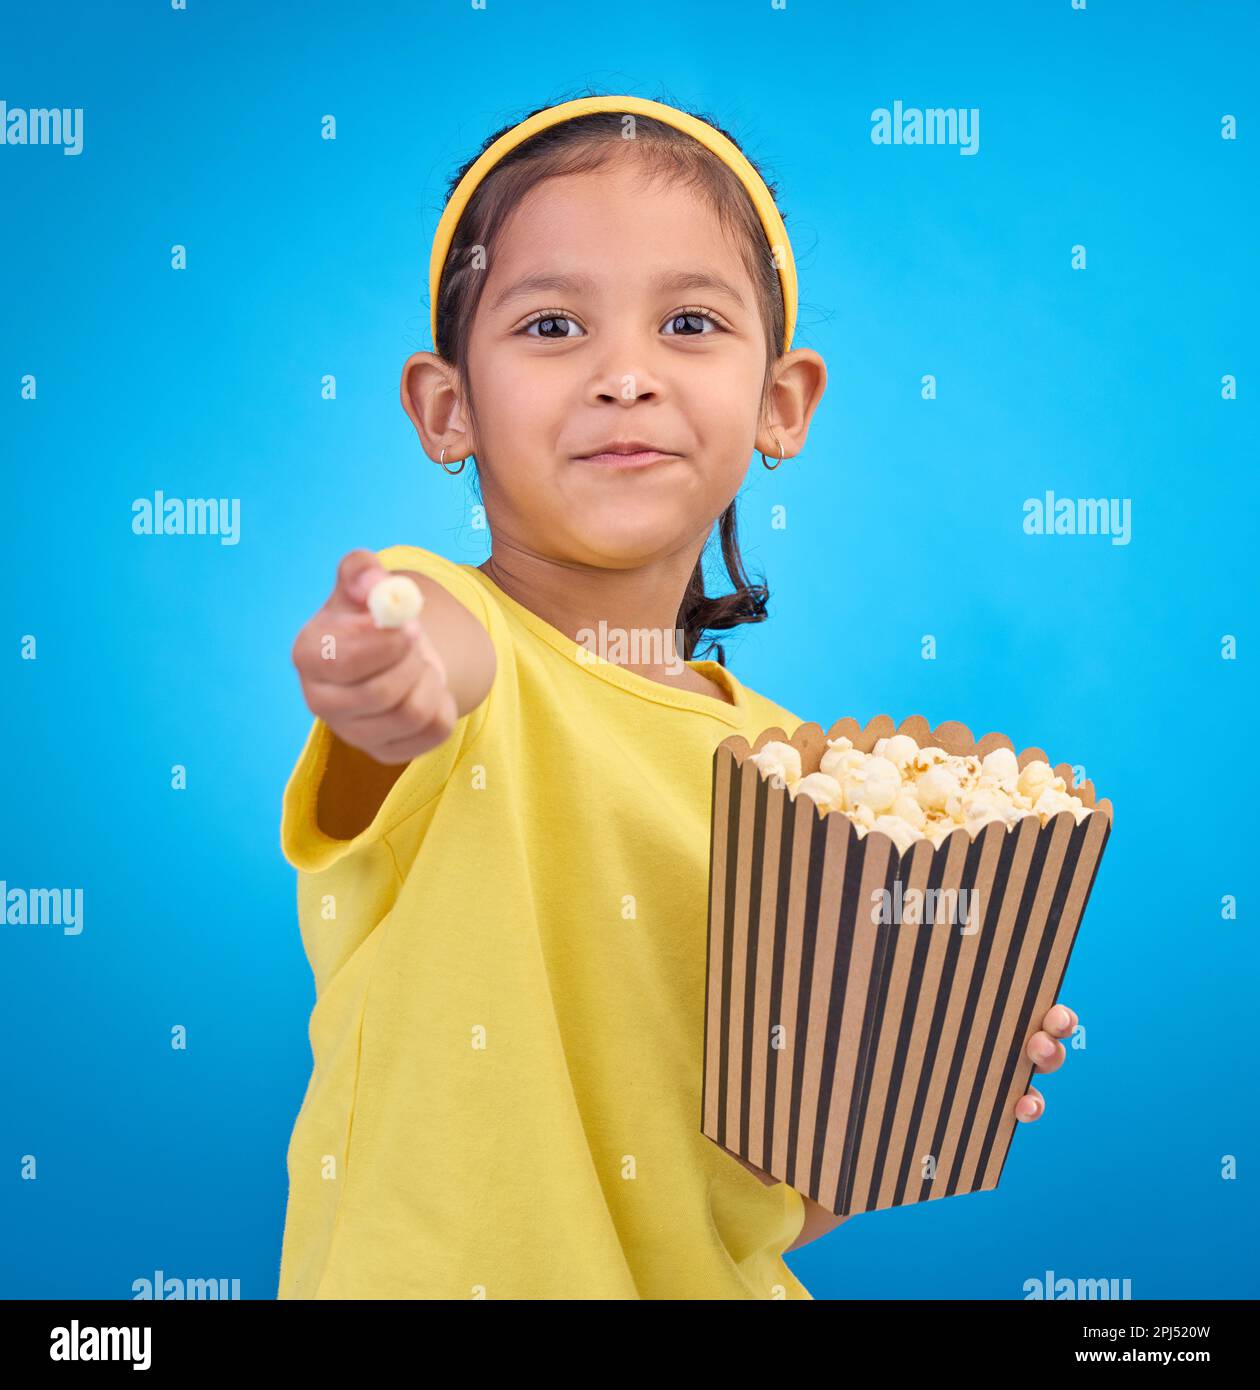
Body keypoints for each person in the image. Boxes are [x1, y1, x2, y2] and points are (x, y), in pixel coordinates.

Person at [278, 93, 1077, 1300]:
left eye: (689, 322)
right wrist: (378, 670)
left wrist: (916, 1087)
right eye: (552, 324)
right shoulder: (462, 638)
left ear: (780, 404)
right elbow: (422, 650)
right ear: (451, 410)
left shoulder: (803, 783)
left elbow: (745, 1198)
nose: (625, 376)